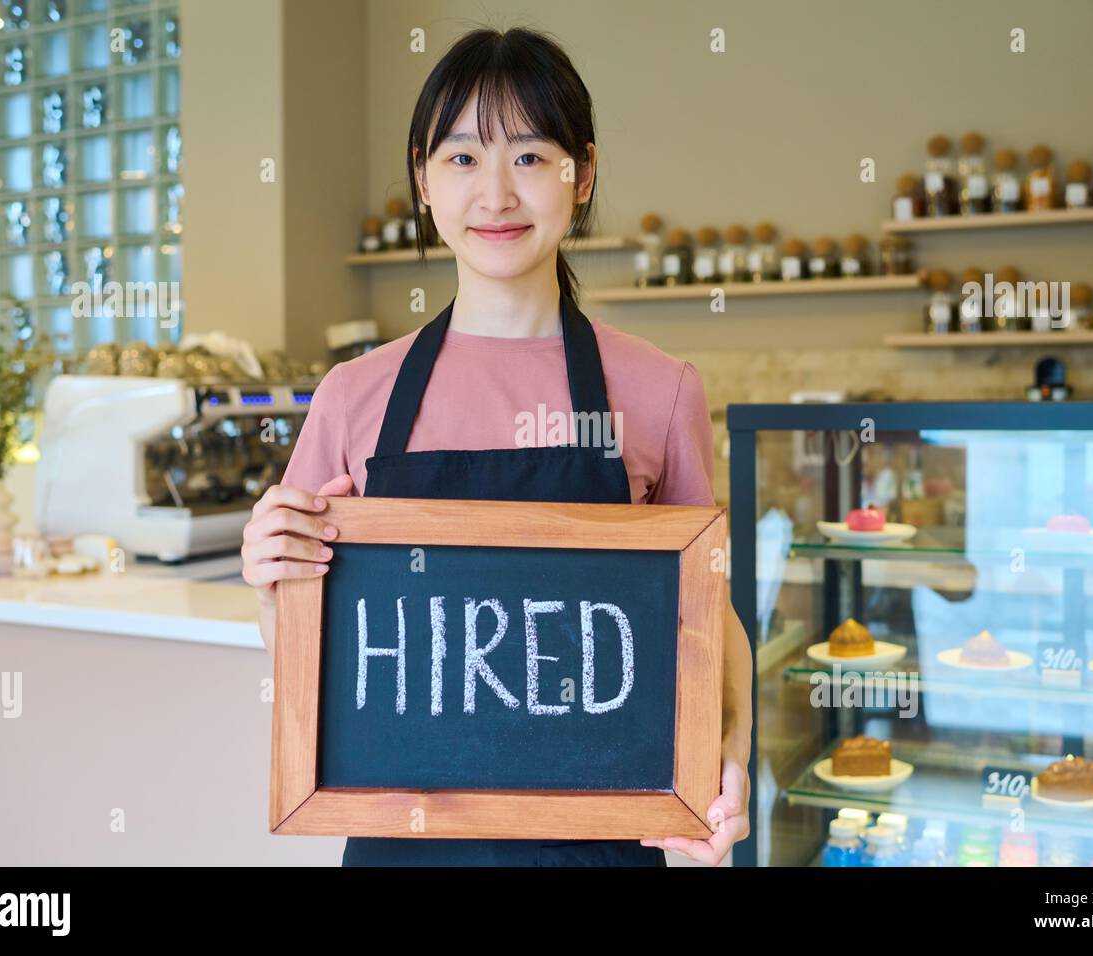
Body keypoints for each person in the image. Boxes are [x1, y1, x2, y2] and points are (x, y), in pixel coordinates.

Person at [242, 26, 752, 867]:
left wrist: (725, 756)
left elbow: (710, 609)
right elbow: (315, 646)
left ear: (580, 174)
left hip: (602, 844)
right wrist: (272, 582)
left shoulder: (661, 390)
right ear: (423, 177)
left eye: (529, 156)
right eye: (463, 158)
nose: (496, 195)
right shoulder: (352, 396)